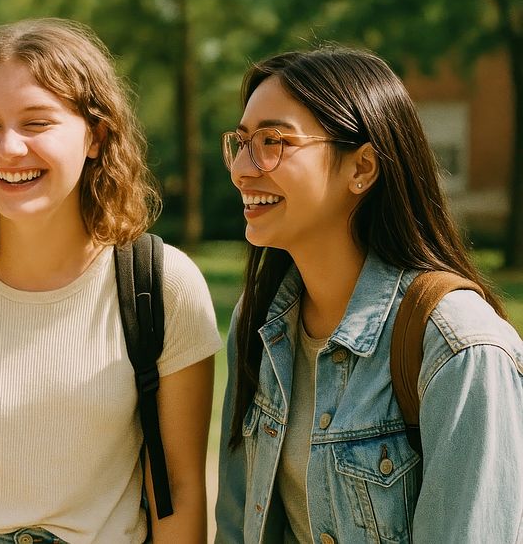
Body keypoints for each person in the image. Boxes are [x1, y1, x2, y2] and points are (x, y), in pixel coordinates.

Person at [0, 18, 222, 544]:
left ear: (95, 136)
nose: (8, 148)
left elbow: (179, 491)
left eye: (36, 123)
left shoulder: (163, 286)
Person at [214, 47, 523, 543]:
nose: (242, 170)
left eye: (273, 141)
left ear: (361, 168)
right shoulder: (258, 327)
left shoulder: (462, 350)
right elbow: (236, 528)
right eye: (242, 141)